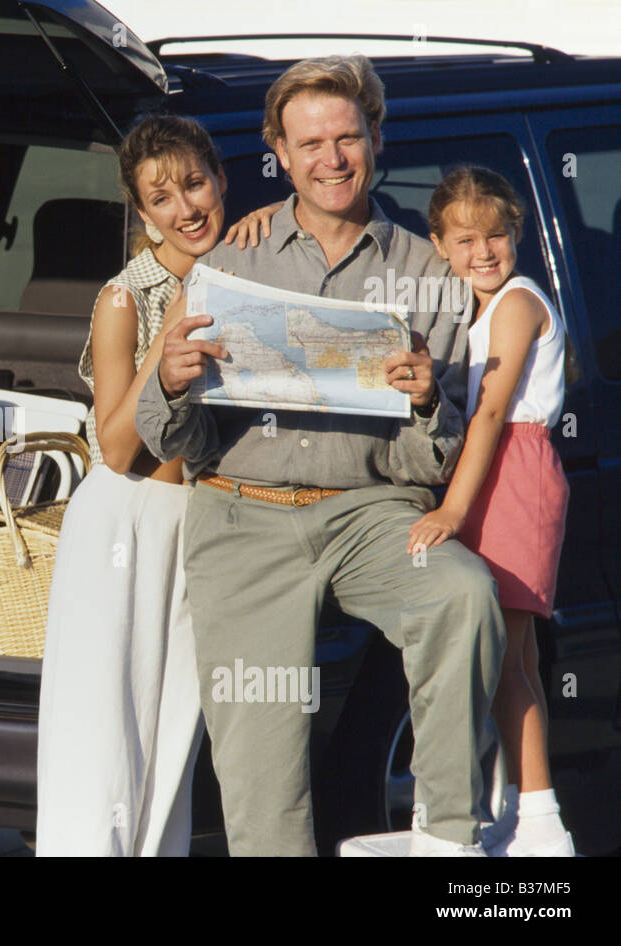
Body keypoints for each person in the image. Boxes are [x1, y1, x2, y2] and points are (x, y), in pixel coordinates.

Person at [135, 55, 507, 856]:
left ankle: (447, 840)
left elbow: (427, 465)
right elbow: (173, 442)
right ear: (278, 150)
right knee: (263, 786)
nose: (331, 159)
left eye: (347, 137)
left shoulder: (427, 271)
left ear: (377, 135)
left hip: (370, 514)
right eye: (310, 144)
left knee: (463, 595)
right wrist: (169, 385)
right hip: (241, 517)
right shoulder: (232, 261)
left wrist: (423, 402)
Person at [35, 114, 278, 856]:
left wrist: (278, 217)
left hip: (202, 523)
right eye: (162, 198)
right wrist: (175, 318)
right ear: (142, 214)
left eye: (196, 183)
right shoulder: (124, 297)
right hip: (123, 522)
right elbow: (113, 445)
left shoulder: (250, 263)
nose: (187, 208)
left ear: (222, 179)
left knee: (173, 732)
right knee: (103, 739)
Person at [407, 166, 574, 857]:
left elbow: (494, 412)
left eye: (497, 235)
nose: (483, 250)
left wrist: (451, 509)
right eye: (465, 237)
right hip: (495, 467)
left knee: (506, 657)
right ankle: (523, 811)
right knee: (515, 658)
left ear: (517, 235)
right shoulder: (476, 307)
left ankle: (539, 822)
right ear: (440, 245)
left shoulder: (515, 300)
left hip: (511, 469)